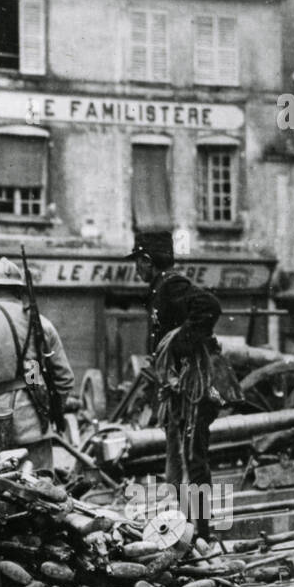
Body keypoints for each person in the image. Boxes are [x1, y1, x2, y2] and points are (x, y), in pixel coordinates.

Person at [127, 230, 235, 546]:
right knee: (183, 455)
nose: (137, 270)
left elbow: (209, 306)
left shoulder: (171, 284)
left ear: (147, 261)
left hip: (192, 391)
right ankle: (189, 522)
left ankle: (201, 530)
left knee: (193, 457)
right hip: (180, 390)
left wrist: (179, 346)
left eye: (138, 262)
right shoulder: (162, 287)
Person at [0, 257, 74, 475]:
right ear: (19, 290)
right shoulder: (43, 323)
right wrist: (51, 412)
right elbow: (63, 379)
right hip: (35, 427)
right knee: (42, 493)